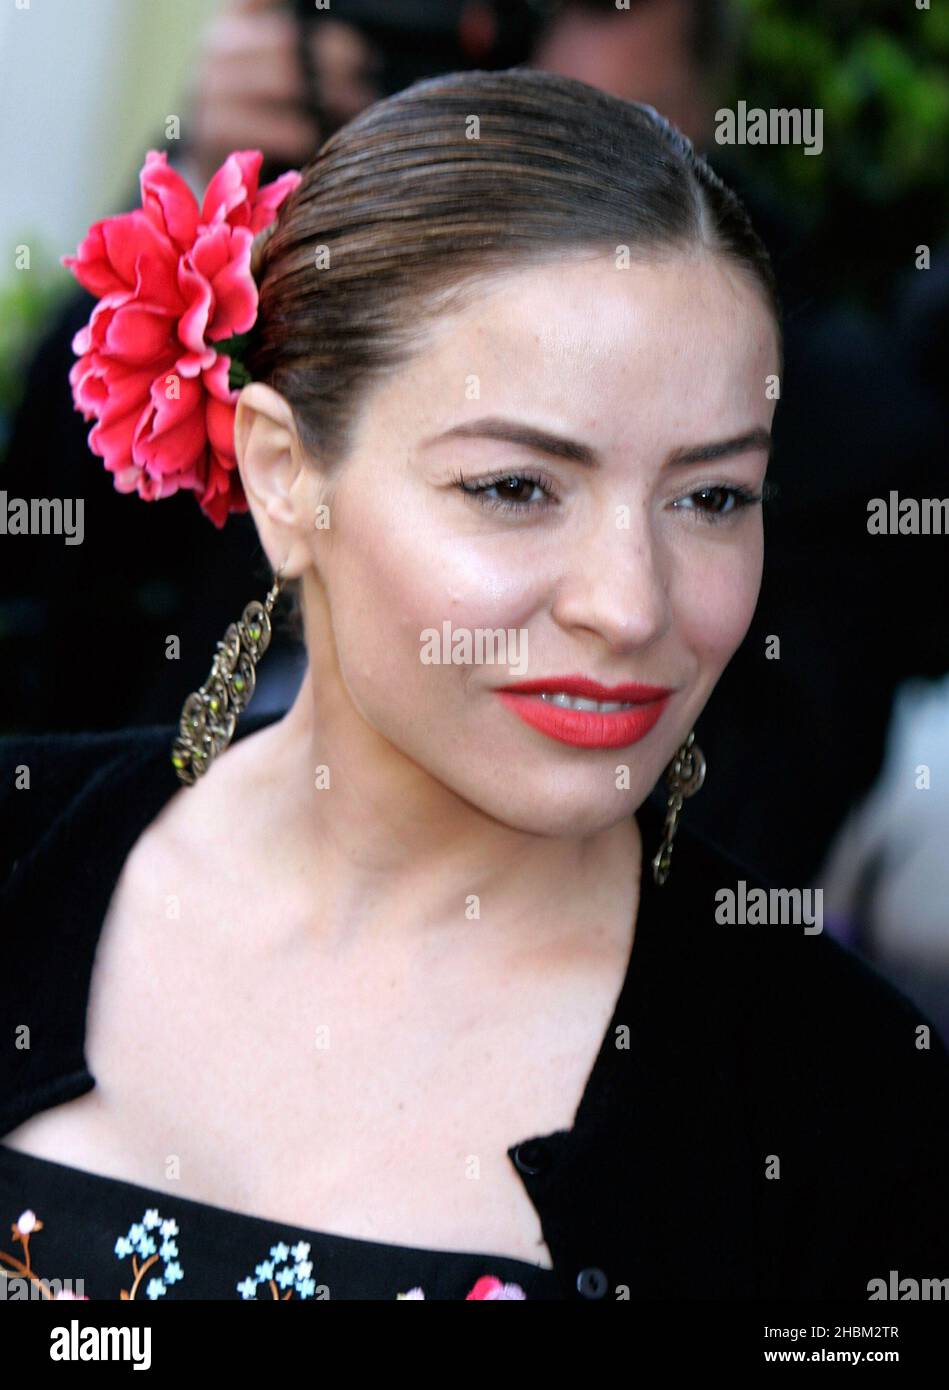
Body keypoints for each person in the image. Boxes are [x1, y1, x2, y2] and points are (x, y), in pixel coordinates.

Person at [1, 70, 947, 1302]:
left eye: (710, 498)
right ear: (286, 477)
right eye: (514, 487)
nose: (631, 603)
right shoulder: (24, 851)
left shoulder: (851, 1114)